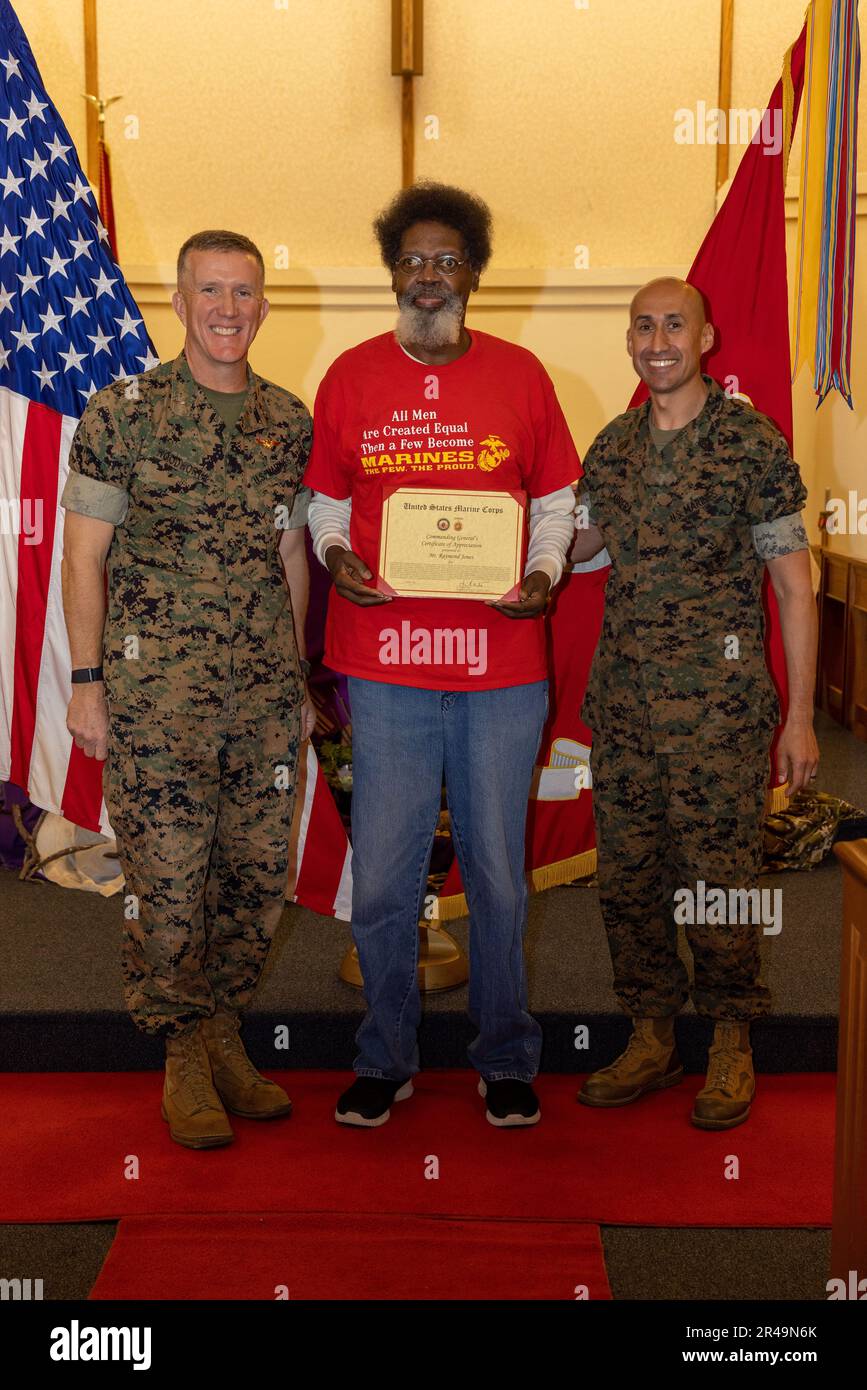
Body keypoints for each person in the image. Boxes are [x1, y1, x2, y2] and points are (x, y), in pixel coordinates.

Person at [304, 182, 579, 1129]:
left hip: (500, 664)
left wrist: (544, 571)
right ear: (392, 272)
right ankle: (385, 1055)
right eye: (413, 260)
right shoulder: (347, 376)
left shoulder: (522, 374)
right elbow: (325, 502)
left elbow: (553, 503)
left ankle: (505, 1055)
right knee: (383, 871)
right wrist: (336, 556)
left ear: (473, 274)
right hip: (385, 660)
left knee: (499, 870)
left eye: (447, 259)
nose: (429, 275)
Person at [60, 230, 315, 1149]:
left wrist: (297, 682)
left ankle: (223, 1033)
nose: (227, 310)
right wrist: (87, 683)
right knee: (169, 882)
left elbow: (290, 555)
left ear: (262, 306)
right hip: (154, 698)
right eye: (210, 291)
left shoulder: (288, 421)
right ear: (177, 301)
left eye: (244, 293)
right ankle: (179, 1051)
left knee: (253, 878)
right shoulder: (120, 412)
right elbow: (82, 559)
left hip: (259, 705)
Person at [572, 277, 818, 1130]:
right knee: (630, 883)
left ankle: (729, 1038)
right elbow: (578, 547)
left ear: (705, 337)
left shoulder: (750, 443)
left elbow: (793, 586)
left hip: (719, 714)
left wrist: (797, 718)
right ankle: (649, 1034)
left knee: (721, 884)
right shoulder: (612, 447)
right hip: (627, 709)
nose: (656, 339)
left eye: (673, 323)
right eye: (641, 326)